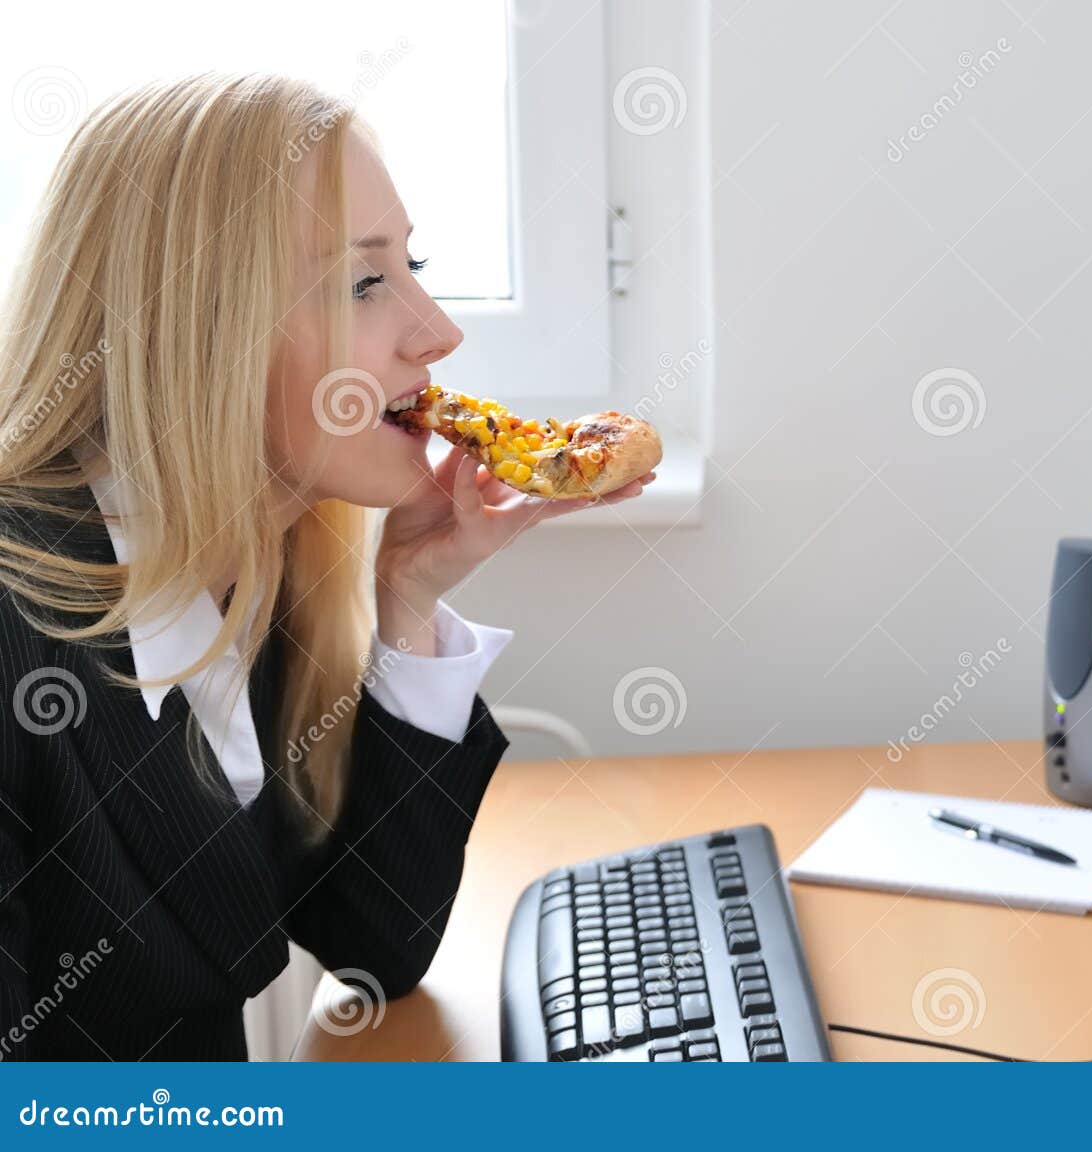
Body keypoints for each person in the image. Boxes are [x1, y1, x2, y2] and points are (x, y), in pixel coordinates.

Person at [0, 73, 653, 1060]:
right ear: (194, 329)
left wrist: (407, 601)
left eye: (413, 264)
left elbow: (373, 949)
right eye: (362, 282)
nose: (439, 331)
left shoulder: (252, 563)